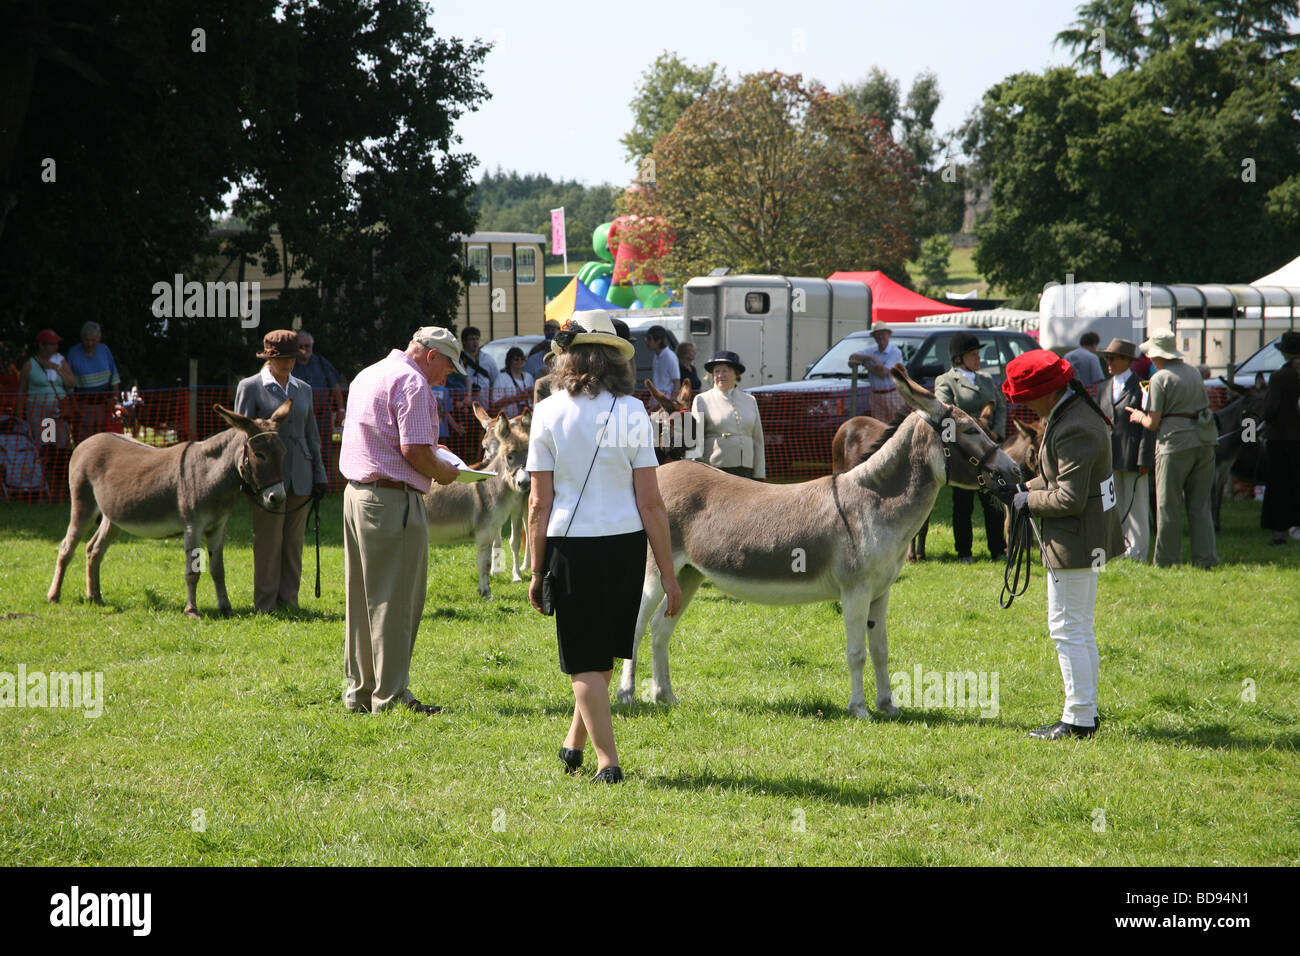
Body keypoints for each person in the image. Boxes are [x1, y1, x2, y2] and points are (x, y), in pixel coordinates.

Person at [526, 309, 681, 783]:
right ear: (617, 361)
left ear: (565, 359)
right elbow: (651, 503)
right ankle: (573, 744)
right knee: (603, 653)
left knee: (585, 659)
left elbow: (537, 502)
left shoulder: (547, 411)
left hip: (571, 545)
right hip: (626, 544)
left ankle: (607, 763)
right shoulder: (634, 411)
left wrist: (534, 571)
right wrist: (668, 574)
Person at [339, 327, 463, 715]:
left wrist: (432, 453)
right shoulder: (413, 383)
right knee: (396, 600)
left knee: (361, 600)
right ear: (431, 355)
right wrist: (442, 472)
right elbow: (412, 450)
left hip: (356, 495)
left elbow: (391, 438)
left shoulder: (369, 373)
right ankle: (390, 698)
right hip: (393, 501)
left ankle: (360, 692)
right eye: (447, 366)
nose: (446, 376)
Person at [1002, 350, 1122, 739]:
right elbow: (1057, 478)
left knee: (1067, 629)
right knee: (1078, 628)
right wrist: (1026, 487)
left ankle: (1078, 719)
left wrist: (1027, 501)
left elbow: (1068, 498)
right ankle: (1083, 713)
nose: (1023, 405)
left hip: (1076, 539)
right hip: (1084, 536)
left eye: (1025, 397)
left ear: (1049, 393)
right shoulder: (1070, 413)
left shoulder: (1074, 426)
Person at [235, 330, 329, 613]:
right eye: (284, 359)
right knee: (268, 542)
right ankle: (265, 605)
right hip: (266, 479)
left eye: (293, 358)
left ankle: (289, 601)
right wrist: (246, 476)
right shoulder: (250, 387)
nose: (289, 364)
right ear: (268, 358)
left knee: (293, 543)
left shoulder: (303, 389)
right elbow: (240, 437)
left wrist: (320, 474)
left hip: (300, 475)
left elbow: (312, 435)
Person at [1127, 331, 1219, 568]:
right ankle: (1206, 559)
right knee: (1200, 504)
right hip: (1204, 441)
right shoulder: (1194, 372)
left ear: (1157, 354)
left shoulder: (1160, 378)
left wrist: (1138, 417)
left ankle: (1167, 561)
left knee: (1168, 505)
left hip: (1174, 445)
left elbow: (1153, 422)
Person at [934, 331, 1006, 562]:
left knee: (993, 501)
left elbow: (1001, 406)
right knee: (963, 504)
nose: (978, 358)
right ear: (959, 358)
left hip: (989, 447)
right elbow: (945, 411)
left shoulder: (985, 378)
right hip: (964, 452)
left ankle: (998, 549)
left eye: (978, 354)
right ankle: (964, 552)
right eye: (973, 355)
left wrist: (997, 431)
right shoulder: (946, 381)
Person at [1096, 338, 1155, 561]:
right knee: (1111, 504)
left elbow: (1148, 427)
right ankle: (1116, 549)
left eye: (1111, 358)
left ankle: (1138, 552)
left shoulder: (1142, 387)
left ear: (1126, 361)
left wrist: (1145, 458)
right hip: (1108, 456)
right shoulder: (1102, 387)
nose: (1107, 362)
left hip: (1132, 454)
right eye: (1106, 358)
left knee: (1137, 505)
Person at [686, 350, 766, 479]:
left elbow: (758, 440)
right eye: (716, 371)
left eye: (725, 370)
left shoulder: (750, 400)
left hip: (747, 470)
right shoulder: (702, 400)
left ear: (736, 374)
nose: (720, 375)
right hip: (715, 470)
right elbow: (695, 439)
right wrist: (695, 473)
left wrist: (759, 473)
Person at [1261, 331, 1300, 545]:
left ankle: (1279, 531)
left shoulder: (1279, 377)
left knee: (1279, 485)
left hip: (1282, 438)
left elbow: (1270, 410)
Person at [16, 329, 77, 443]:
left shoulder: (60, 361)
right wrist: (18, 418)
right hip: (38, 410)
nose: (56, 347)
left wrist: (56, 368)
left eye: (57, 344)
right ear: (41, 345)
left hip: (59, 409)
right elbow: (21, 392)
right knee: (45, 444)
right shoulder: (29, 365)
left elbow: (72, 382)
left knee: (61, 444)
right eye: (52, 344)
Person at [65, 321, 121, 443]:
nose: (90, 343)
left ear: (99, 339)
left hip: (103, 405)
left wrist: (114, 399)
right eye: (87, 340)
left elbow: (114, 377)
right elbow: (68, 383)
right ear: (82, 338)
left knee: (104, 439)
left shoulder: (104, 350)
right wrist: (74, 406)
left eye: (93, 340)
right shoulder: (73, 353)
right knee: (85, 440)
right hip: (83, 406)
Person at [848, 325, 905, 422]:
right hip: (876, 395)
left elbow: (883, 373)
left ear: (888, 335)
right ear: (874, 337)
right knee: (879, 427)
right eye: (877, 334)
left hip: (892, 393)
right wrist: (871, 358)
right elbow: (852, 357)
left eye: (883, 334)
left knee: (896, 425)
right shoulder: (871, 351)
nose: (880, 337)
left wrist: (867, 365)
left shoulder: (895, 352)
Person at [490, 346, 534, 418]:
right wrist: (518, 398)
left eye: (522, 359)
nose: (520, 361)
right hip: (509, 420)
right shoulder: (501, 378)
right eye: (516, 359)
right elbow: (496, 404)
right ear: (509, 361)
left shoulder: (529, 377)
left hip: (527, 418)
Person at [459, 326, 498, 399]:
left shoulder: (488, 359)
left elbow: (495, 380)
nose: (475, 342)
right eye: (471, 339)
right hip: (464, 403)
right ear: (464, 341)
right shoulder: (459, 359)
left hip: (485, 402)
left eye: (477, 339)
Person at [646, 325, 680, 396]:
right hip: (656, 399)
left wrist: (672, 402)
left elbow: (676, 382)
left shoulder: (670, 356)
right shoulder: (656, 355)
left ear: (658, 340)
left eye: (649, 338)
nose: (646, 341)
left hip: (666, 400)